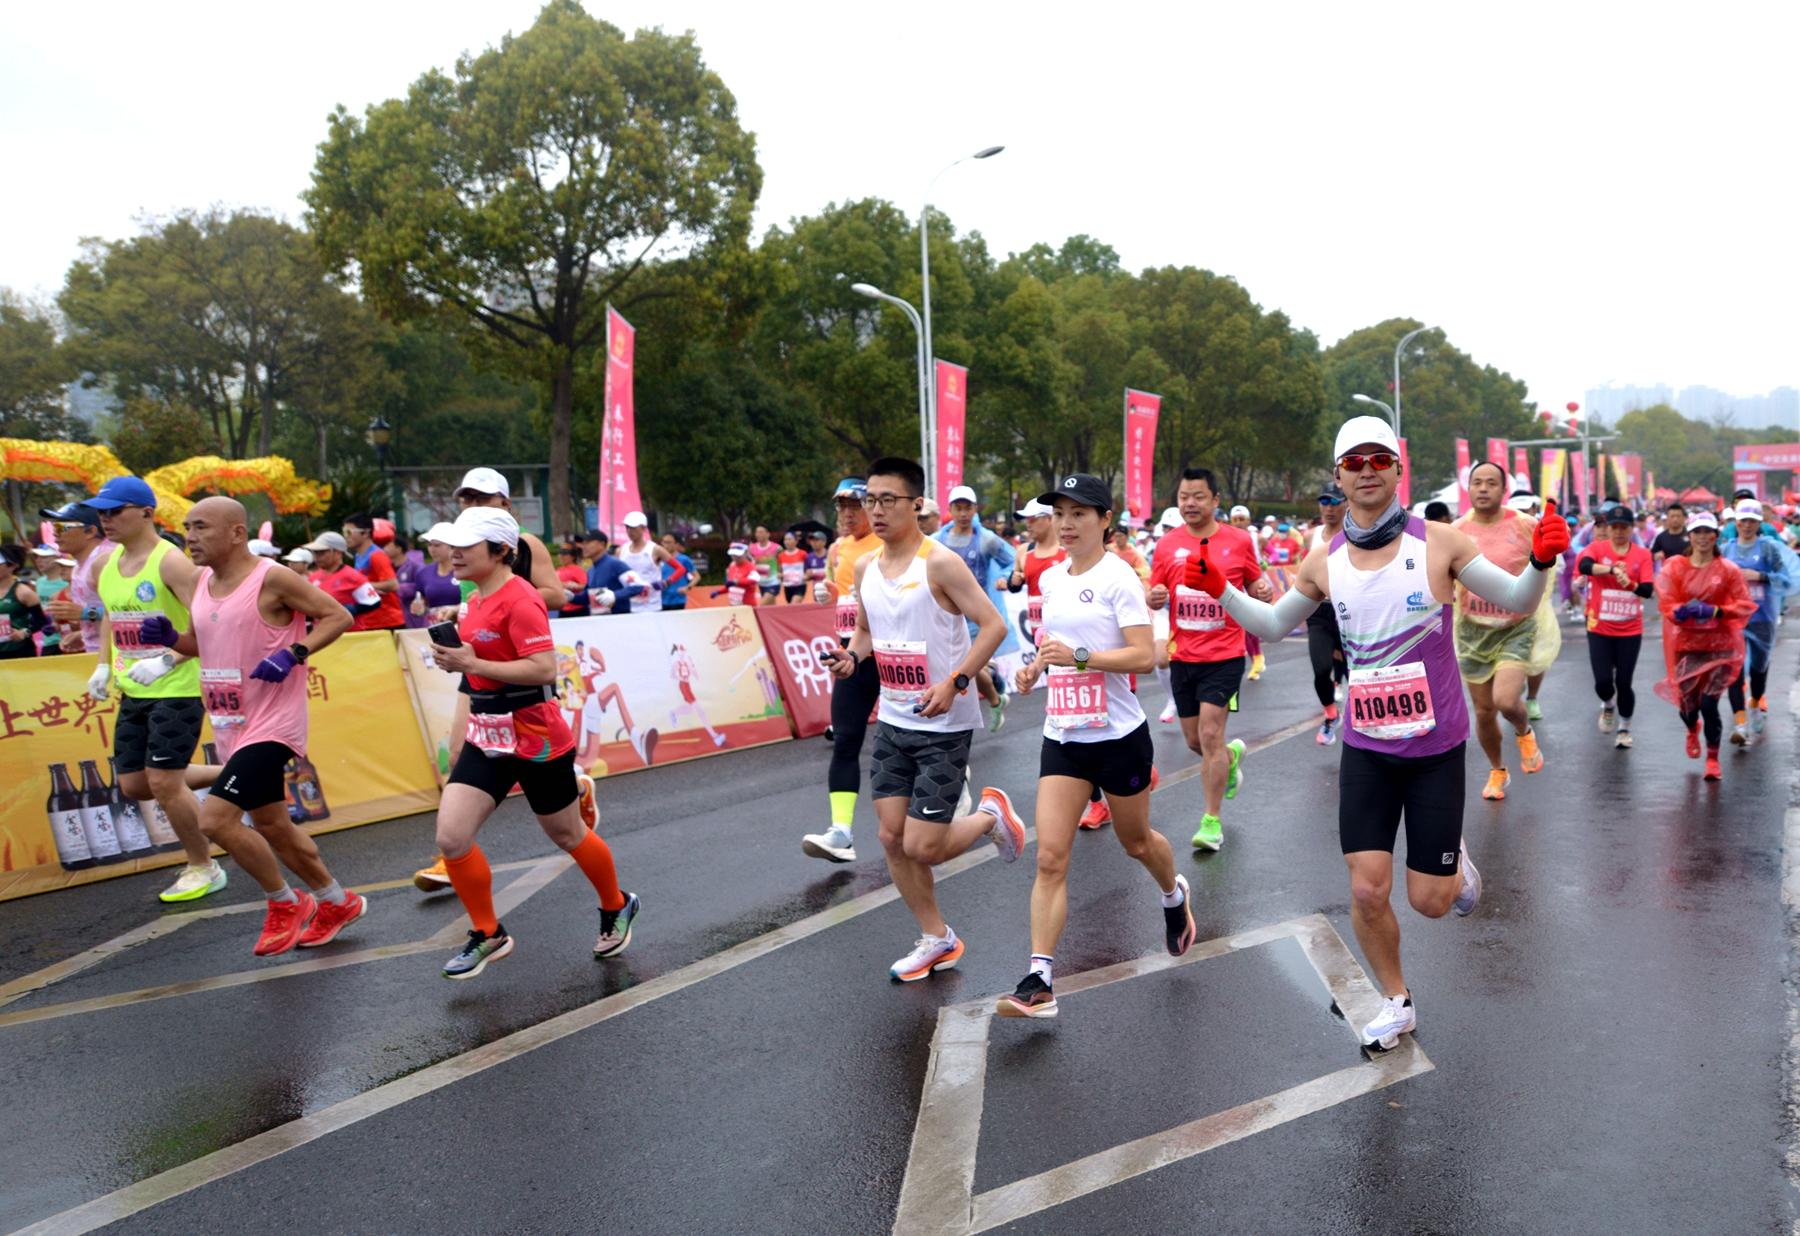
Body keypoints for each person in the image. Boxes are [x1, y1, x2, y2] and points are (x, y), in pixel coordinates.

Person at [1207, 414, 1567, 1048]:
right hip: (1367, 748)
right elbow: (1270, 625)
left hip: (1434, 749)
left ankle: (1458, 873)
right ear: (1339, 476)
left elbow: (1517, 600)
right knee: (1367, 888)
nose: (1367, 470)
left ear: (1398, 469)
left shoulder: (1442, 542)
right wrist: (1222, 594)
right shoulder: (1325, 558)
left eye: (1379, 459)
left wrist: (1539, 561)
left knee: (1430, 901)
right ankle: (1397, 1001)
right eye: (1355, 462)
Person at [994, 475, 1189, 1019]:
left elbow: (1143, 656)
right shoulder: (1052, 579)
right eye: (1060, 513)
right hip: (1063, 735)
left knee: (1136, 842)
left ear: (1106, 519)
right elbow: (1053, 647)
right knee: (1051, 858)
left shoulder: (1119, 577)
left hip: (1118, 737)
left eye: (1080, 513)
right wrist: (1037, 667)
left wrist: (1079, 657)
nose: (1067, 523)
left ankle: (1173, 896)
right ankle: (1039, 979)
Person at [822, 457, 1022, 982]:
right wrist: (852, 657)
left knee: (923, 846)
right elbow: (864, 634)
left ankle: (990, 818)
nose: (877, 510)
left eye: (889, 500)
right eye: (871, 500)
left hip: (945, 723)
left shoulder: (940, 564)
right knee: (891, 839)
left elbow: (993, 626)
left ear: (916, 506)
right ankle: (938, 938)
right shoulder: (865, 568)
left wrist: (956, 681)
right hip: (892, 719)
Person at [135, 498, 365, 953]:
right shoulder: (202, 583)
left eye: (201, 528)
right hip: (230, 723)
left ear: (237, 533)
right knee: (274, 825)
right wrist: (171, 641)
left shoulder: (273, 577)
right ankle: (336, 901)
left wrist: (294, 652)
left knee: (216, 820)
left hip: (274, 724)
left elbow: (340, 616)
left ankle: (283, 901)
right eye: (186, 528)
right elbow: (206, 642)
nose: (190, 537)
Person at [423, 505, 629, 978]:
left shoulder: (521, 598)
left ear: (499, 552)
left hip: (535, 735)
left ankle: (617, 905)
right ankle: (488, 932)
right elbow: (484, 658)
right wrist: (459, 657)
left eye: (465, 546)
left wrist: (473, 666)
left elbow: (543, 669)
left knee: (567, 834)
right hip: (487, 733)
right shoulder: (472, 598)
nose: (453, 554)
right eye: (452, 545)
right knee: (451, 837)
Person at [80, 476, 224, 902]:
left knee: (163, 782)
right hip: (133, 689)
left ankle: (203, 865)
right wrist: (102, 665)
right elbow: (111, 613)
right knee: (135, 785)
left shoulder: (172, 562)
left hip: (176, 686)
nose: (106, 520)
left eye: (115, 511)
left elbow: (206, 621)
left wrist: (168, 658)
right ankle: (234, 774)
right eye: (101, 512)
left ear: (147, 513)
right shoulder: (105, 564)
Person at [1146, 467, 1270, 852]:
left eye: (1198, 496)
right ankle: (1230, 758)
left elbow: (1255, 584)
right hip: (1183, 655)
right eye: (1184, 497)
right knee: (1196, 740)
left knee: (1211, 734)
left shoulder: (1238, 541)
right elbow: (1157, 588)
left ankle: (1211, 821)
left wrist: (1261, 590)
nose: (1189, 504)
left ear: (1215, 500)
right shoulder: (1167, 544)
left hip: (1226, 654)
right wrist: (1154, 597)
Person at [1451, 461, 1557, 801]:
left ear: (1503, 489)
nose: (1483, 488)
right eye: (1477, 482)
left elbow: (1547, 566)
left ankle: (1524, 732)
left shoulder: (1526, 525)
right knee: (1483, 711)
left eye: (1491, 483)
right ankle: (1498, 770)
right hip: (1473, 631)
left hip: (1515, 628)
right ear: (1468, 489)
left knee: (1505, 700)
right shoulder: (1455, 532)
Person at [801, 478, 885, 864]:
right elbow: (846, 595)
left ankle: (955, 775)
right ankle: (841, 832)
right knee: (847, 739)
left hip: (896, 656)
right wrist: (831, 595)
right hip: (853, 654)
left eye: (855, 506)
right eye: (841, 507)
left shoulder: (887, 544)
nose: (848, 514)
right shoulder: (838, 548)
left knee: (917, 738)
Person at [1655, 510, 1756, 781]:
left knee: (1710, 704)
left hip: (1720, 647)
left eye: (1707, 532)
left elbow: (1744, 604)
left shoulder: (1727, 570)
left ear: (1716, 536)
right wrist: (1677, 611)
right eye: (1697, 532)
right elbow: (1665, 598)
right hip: (1686, 646)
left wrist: (1714, 612)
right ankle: (1692, 729)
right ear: (1690, 536)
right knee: (1688, 707)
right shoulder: (1675, 566)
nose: (1702, 537)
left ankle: (1712, 759)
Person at [935, 484, 1015, 732]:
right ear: (950, 510)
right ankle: (995, 697)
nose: (963, 513)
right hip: (947, 615)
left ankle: (990, 694)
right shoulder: (938, 541)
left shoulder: (987, 540)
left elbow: (1012, 559)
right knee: (962, 668)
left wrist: (1006, 576)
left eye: (967, 508)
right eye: (958, 508)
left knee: (965, 666)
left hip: (976, 616)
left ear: (975, 509)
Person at [1576, 505, 1655, 749]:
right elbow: (1584, 566)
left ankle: (1624, 727)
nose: (1619, 532)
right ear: (1607, 529)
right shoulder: (1598, 548)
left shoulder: (1642, 554)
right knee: (1602, 681)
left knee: (1624, 682)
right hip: (1599, 626)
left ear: (1632, 529)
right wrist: (1610, 569)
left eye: (1624, 527)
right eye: (1614, 527)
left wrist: (1629, 584)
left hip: (1630, 629)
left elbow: (1648, 590)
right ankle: (1609, 705)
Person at [1721, 499, 1793, 742]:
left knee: (1758, 669)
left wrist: (1760, 576)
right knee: (1734, 671)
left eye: (1752, 521)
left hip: (1762, 617)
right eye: (1743, 521)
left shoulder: (1768, 549)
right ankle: (1740, 723)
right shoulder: (1726, 550)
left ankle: (1754, 703)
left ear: (1759, 523)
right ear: (1736, 523)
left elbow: (1785, 580)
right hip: (1734, 619)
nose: (1747, 525)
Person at [40, 501, 114, 657]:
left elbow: (130, 613)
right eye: (54, 527)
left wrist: (86, 613)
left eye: (63, 527)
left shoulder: (106, 560)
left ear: (90, 531)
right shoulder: (79, 565)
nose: (55, 533)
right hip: (98, 653)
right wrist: (81, 635)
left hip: (120, 656)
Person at [1306, 484, 1350, 744]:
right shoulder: (1311, 536)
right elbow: (1303, 574)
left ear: (1345, 503)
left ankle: (1363, 722)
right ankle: (1331, 715)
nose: (1329, 508)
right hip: (1319, 612)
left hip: (1350, 612)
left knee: (1358, 675)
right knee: (1321, 669)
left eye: (1334, 502)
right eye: (1324, 502)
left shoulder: (1354, 533)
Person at [340, 514, 406, 631]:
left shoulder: (377, 555)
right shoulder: (359, 556)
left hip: (387, 621)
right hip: (371, 621)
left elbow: (393, 584)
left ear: (365, 533)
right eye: (344, 532)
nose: (346, 537)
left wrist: (359, 587)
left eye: (349, 532)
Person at [299, 532, 383, 620]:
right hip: (323, 631)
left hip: (350, 632)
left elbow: (374, 602)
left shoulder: (352, 576)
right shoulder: (313, 577)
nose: (316, 557)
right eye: (315, 553)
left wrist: (351, 610)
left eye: (321, 552)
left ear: (338, 553)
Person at [618, 511, 686, 613]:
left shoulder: (655, 549)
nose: (629, 531)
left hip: (651, 606)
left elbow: (680, 569)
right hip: (628, 605)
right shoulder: (622, 549)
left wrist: (666, 582)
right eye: (627, 527)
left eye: (633, 527)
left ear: (643, 528)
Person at [0, 545, 41, 658]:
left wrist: (23, 633)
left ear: (12, 566)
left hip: (19, 652)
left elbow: (41, 621)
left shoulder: (23, 592)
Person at [659, 534, 695, 611]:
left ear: (676, 544)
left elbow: (697, 577)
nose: (666, 545)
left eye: (668, 542)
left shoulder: (684, 559)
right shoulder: (659, 560)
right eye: (664, 542)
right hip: (662, 599)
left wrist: (687, 587)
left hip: (678, 599)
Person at [745, 525, 781, 602]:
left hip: (773, 582)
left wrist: (780, 573)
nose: (758, 534)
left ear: (768, 534)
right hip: (760, 583)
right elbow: (747, 563)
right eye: (756, 532)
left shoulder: (777, 548)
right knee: (770, 608)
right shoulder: (751, 548)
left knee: (761, 605)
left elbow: (782, 562)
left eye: (761, 532)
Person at [555, 542, 590, 618]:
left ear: (572, 556)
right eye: (560, 553)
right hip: (563, 610)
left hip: (577, 609)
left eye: (564, 553)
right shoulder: (558, 570)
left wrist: (571, 585)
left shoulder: (577, 570)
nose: (561, 556)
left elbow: (585, 586)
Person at [777, 530, 808, 604]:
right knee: (792, 607)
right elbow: (779, 571)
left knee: (794, 603)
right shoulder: (781, 556)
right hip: (787, 586)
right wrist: (779, 575)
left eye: (790, 539)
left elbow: (807, 569)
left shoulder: (803, 554)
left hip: (800, 585)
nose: (787, 542)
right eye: (785, 539)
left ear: (796, 541)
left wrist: (806, 575)